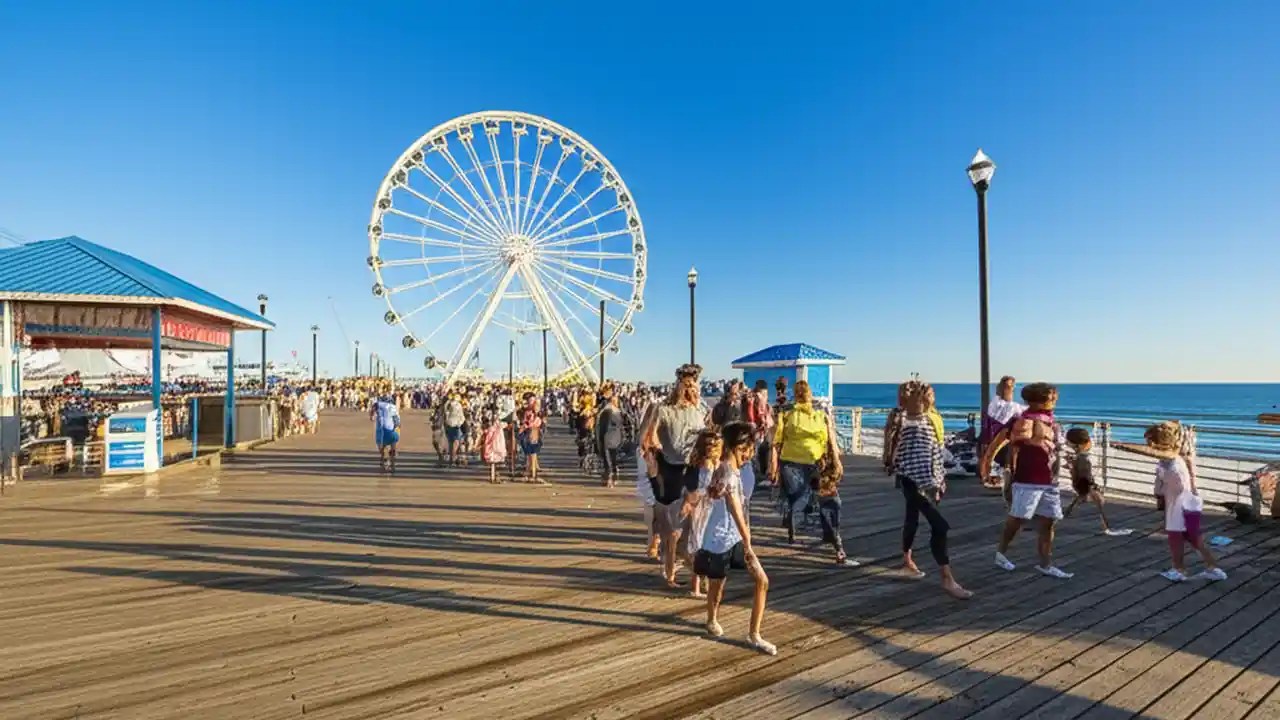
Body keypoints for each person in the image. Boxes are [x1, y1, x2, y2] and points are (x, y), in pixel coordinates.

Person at [691, 422, 776, 655]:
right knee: (717, 587)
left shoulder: (731, 469)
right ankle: (711, 618)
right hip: (718, 541)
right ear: (740, 447)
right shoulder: (727, 472)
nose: (750, 454)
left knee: (762, 581)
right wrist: (749, 544)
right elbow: (736, 510)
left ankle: (754, 634)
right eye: (748, 448)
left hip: (734, 538)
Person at [886, 379, 971, 599]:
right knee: (940, 526)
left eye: (932, 392)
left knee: (912, 519)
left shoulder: (933, 418)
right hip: (910, 478)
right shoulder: (902, 417)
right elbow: (895, 432)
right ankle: (947, 579)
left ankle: (907, 560)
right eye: (927, 392)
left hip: (929, 479)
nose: (931, 395)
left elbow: (936, 451)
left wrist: (940, 480)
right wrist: (904, 397)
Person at [981, 382, 1072, 579]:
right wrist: (986, 467)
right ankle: (1001, 554)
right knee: (1017, 519)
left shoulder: (1052, 423)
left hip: (1049, 480)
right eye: (1051, 398)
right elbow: (997, 444)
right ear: (1037, 400)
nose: (1054, 401)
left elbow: (1055, 450)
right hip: (1027, 479)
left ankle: (1045, 563)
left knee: (1049, 522)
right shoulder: (1020, 421)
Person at [639, 364, 708, 588]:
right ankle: (669, 571)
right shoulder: (664, 409)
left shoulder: (701, 409)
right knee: (671, 527)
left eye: (693, 384)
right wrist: (653, 450)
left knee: (692, 521)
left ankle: (691, 565)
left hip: (693, 468)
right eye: (685, 384)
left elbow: (710, 434)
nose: (689, 389)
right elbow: (648, 436)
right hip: (669, 467)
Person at [1148, 421, 1227, 582]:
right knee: (1193, 538)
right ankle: (1213, 567)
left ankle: (1179, 569)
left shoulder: (1171, 463)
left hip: (1179, 504)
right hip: (1187, 502)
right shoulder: (1174, 459)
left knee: (1176, 538)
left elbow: (1167, 486)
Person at [769, 380, 841, 544]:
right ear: (810, 394)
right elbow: (829, 438)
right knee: (817, 496)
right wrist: (835, 458)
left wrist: (773, 464)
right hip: (814, 458)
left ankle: (793, 528)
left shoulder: (786, 413)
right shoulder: (819, 414)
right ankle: (828, 533)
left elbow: (777, 440)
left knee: (797, 497)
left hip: (791, 459)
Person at [1063, 427, 1131, 536]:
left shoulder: (1082, 457)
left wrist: (1072, 467)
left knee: (1093, 508)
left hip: (1086, 486)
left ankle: (1103, 527)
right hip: (1090, 487)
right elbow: (1086, 473)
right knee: (1098, 507)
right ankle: (1105, 527)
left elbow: (1083, 474)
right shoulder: (1085, 456)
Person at [681, 429, 722, 599]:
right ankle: (697, 585)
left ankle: (702, 581)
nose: (711, 447)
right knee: (699, 543)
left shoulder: (715, 464)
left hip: (710, 505)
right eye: (709, 445)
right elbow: (690, 488)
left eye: (714, 444)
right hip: (701, 505)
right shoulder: (699, 464)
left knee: (706, 544)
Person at [815, 449, 858, 567]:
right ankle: (839, 550)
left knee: (831, 524)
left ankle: (835, 545)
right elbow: (838, 474)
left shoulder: (819, 465)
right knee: (833, 525)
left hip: (826, 496)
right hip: (831, 496)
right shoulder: (833, 465)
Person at [981, 376, 1025, 487]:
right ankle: (990, 478)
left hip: (1002, 438)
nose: (1009, 390)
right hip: (996, 436)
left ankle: (997, 479)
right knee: (991, 457)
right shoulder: (1001, 404)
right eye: (1007, 387)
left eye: (1011, 387)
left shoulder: (1010, 405)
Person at [596, 391, 624, 488]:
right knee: (614, 458)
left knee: (607, 459)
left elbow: (604, 427)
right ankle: (614, 477)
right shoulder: (618, 411)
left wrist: (600, 438)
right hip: (616, 437)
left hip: (607, 437)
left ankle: (608, 478)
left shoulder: (607, 411)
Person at [369, 394, 401, 473]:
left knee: (382, 447)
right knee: (393, 445)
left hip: (382, 429)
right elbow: (397, 421)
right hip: (392, 429)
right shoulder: (393, 407)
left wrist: (372, 415)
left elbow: (374, 407)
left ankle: (385, 462)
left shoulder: (379, 404)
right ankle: (392, 464)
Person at [519, 393, 546, 483]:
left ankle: (533, 473)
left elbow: (536, 421)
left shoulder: (535, 411)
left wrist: (526, 425)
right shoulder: (527, 410)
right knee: (529, 452)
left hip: (533, 431)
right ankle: (530, 471)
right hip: (529, 431)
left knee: (532, 452)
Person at [481, 411, 507, 484]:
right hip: (494, 442)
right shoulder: (494, 425)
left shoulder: (495, 424)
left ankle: (494, 476)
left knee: (494, 461)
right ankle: (493, 477)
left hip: (496, 442)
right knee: (493, 460)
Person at [444, 394, 465, 467]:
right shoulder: (450, 404)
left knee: (454, 443)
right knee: (452, 443)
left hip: (455, 425)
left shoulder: (453, 404)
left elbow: (461, 416)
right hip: (453, 425)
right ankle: (453, 459)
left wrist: (459, 423)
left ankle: (453, 459)